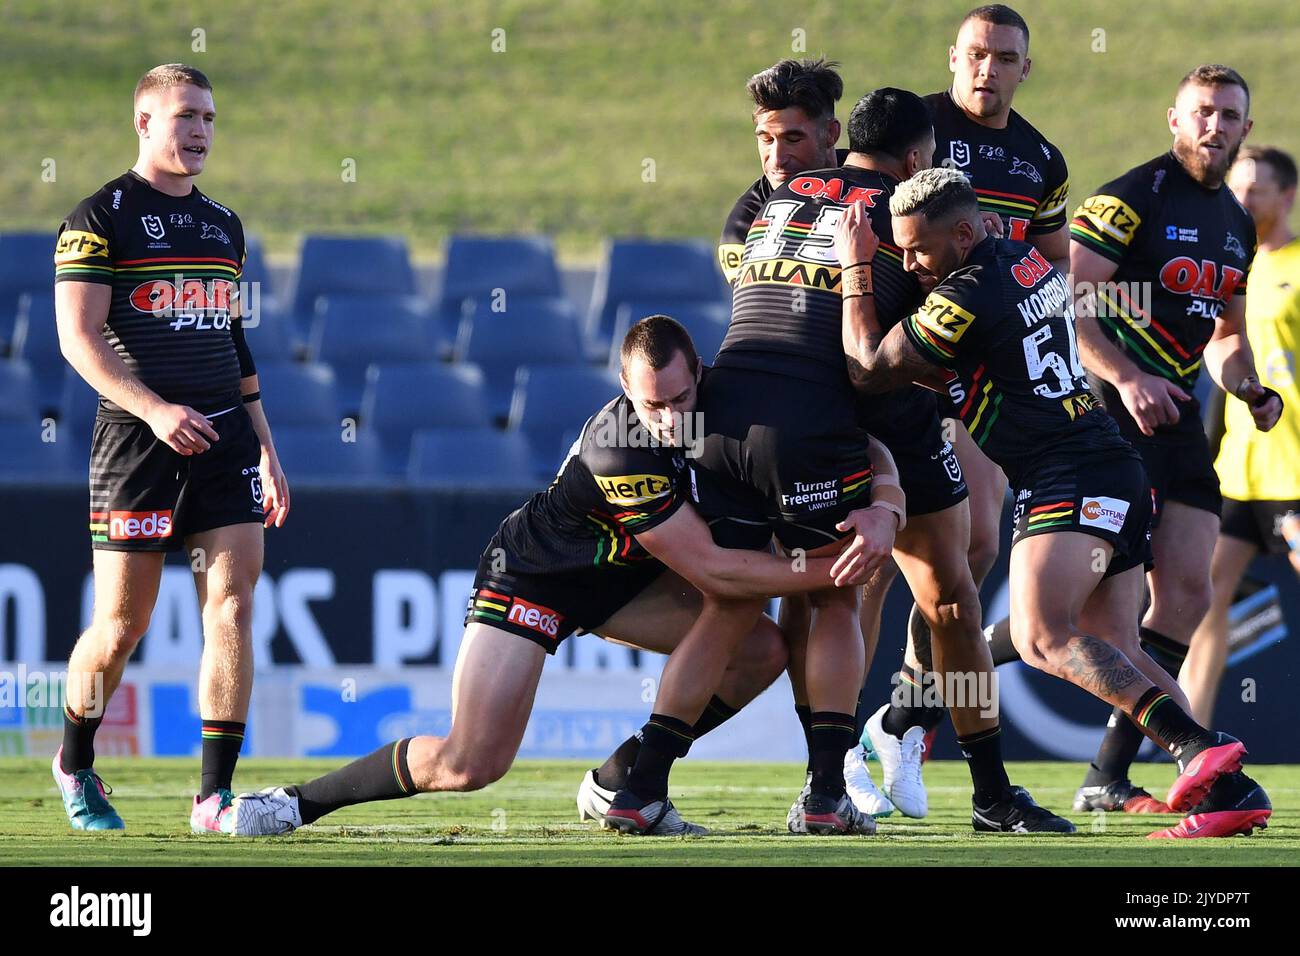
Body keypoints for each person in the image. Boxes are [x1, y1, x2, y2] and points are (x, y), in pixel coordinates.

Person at [224, 316, 878, 837]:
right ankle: (295, 804)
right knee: (469, 762)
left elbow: (848, 443)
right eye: (652, 404)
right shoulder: (621, 445)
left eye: (681, 398)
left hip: (626, 582)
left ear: (700, 375)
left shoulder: (725, 412)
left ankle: (626, 777)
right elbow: (714, 570)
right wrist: (832, 568)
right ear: (624, 388)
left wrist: (890, 502)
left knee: (761, 650)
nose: (670, 419)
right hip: (536, 578)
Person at [834, 166, 1269, 838]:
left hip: (1067, 474)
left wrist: (857, 269)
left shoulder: (966, 293)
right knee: (1113, 644)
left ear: (963, 232)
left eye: (919, 249)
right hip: (1109, 464)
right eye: (901, 252)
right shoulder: (1019, 254)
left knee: (1041, 635)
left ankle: (1196, 752)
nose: (913, 265)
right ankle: (1229, 788)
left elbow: (867, 363)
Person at [51, 64, 288, 833]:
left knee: (233, 605)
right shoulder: (99, 217)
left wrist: (267, 450)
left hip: (222, 441)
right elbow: (78, 339)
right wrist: (154, 411)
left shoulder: (225, 224)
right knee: (122, 625)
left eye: (210, 118)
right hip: (137, 444)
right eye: (184, 114)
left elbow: (234, 342)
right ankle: (75, 761)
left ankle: (213, 797)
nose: (199, 130)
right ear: (143, 122)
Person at [1068, 65, 1279, 837]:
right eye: (1201, 112)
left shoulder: (1236, 221)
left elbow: (1224, 334)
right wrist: (1126, 378)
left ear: (1245, 129)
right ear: (1173, 119)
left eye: (1228, 115)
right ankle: (919, 700)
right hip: (1106, 417)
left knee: (1188, 597)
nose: (1214, 125)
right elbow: (1072, 301)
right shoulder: (1131, 197)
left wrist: (1249, 387)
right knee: (1084, 616)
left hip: (1181, 418)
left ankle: (1106, 777)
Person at [873, 3, 1074, 794]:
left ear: (1027, 68)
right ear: (953, 57)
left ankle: (903, 723)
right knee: (900, 573)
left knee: (973, 557)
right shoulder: (914, 128)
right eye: (976, 53)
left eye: (1005, 57)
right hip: (902, 371)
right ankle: (845, 755)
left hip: (980, 383)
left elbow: (1054, 263)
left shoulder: (1041, 159)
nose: (987, 68)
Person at [1183, 146, 1299, 721]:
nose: (1245, 198)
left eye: (1258, 188)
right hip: (1236, 473)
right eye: (1239, 187)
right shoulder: (1227, 263)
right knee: (1199, 607)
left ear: (1288, 197)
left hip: (1294, 472)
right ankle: (1192, 751)